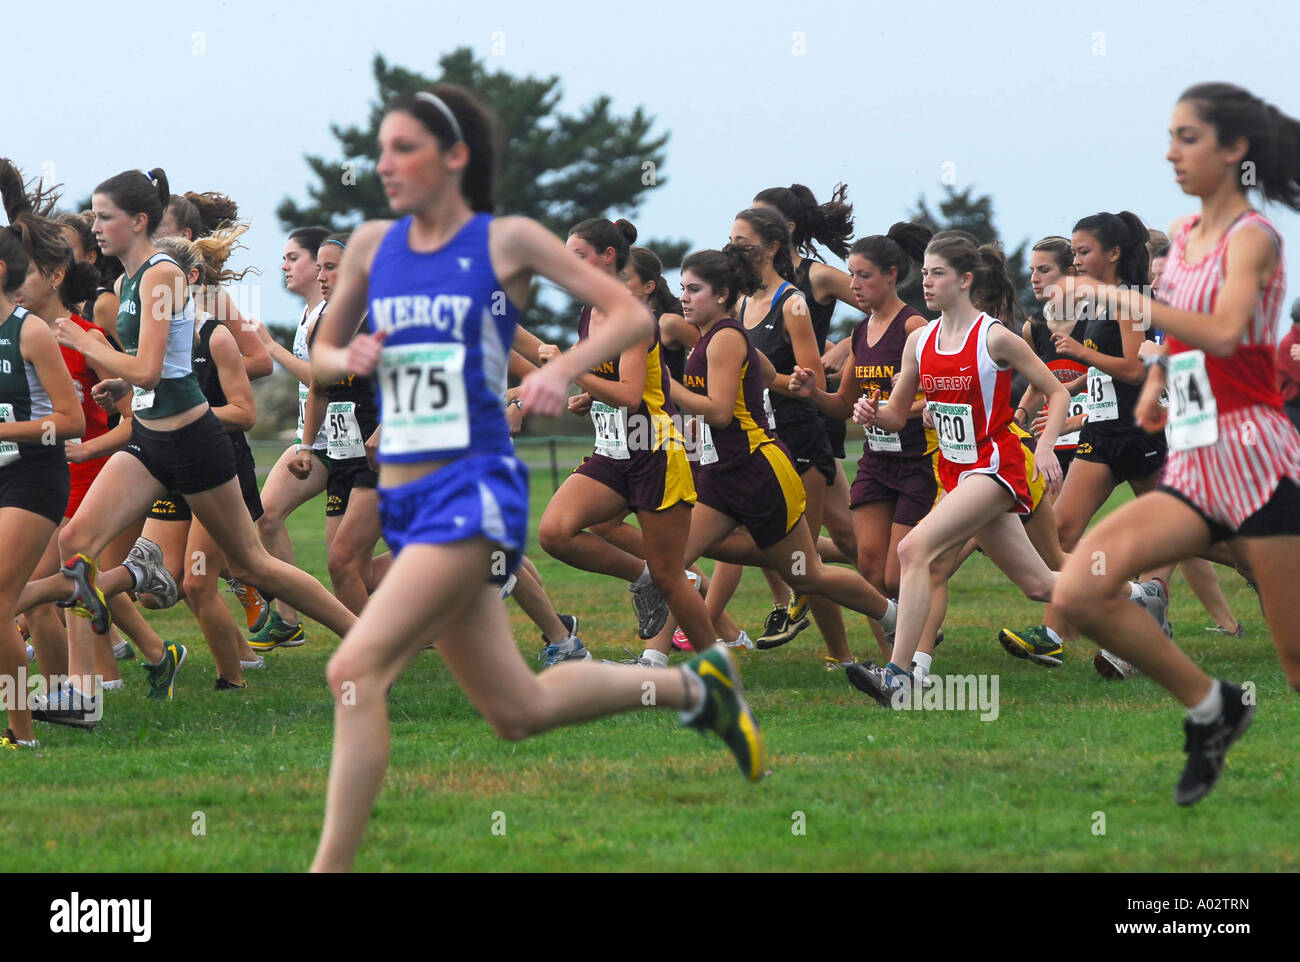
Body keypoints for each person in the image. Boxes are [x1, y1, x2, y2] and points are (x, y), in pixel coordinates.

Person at [309, 86, 765, 872]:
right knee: (515, 709)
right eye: (381, 148)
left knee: (354, 670)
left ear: (454, 157)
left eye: (405, 147)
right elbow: (324, 348)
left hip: (474, 489)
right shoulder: (370, 246)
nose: (384, 164)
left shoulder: (507, 240)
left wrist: (568, 370)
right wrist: (343, 357)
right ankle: (699, 692)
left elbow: (626, 316)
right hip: (408, 491)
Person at [16, 168, 356, 726]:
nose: (96, 227)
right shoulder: (128, 283)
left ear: (138, 221)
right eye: (95, 216)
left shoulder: (163, 274)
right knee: (76, 540)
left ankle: (367, 643)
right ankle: (84, 693)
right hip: (151, 439)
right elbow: (161, 370)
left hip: (194, 442)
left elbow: (149, 368)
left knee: (252, 563)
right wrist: (121, 386)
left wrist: (87, 345)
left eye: (105, 217)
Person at [1055, 83, 1300, 805]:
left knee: (1294, 661)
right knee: (1081, 589)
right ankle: (1214, 707)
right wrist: (1159, 379)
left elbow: (1225, 331)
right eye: (1170, 136)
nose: (1171, 152)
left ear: (1235, 150)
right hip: (1196, 460)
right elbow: (1181, 338)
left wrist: (1124, 301)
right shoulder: (1183, 234)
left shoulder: (1254, 238)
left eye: (1188, 138)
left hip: (1257, 458)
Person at [845, 231, 1070, 703]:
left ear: (965, 280)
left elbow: (1057, 391)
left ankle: (900, 676)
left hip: (997, 467)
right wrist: (873, 413)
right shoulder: (920, 341)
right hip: (957, 473)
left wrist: (1046, 448)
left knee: (914, 550)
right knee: (1040, 584)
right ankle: (1136, 597)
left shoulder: (995, 337)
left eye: (937, 273)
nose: (926, 282)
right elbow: (895, 412)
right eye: (924, 273)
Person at [0, 174, 86, 747]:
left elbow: (72, 421)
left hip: (33, 478)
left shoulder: (29, 331)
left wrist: (6, 429)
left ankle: (22, 733)